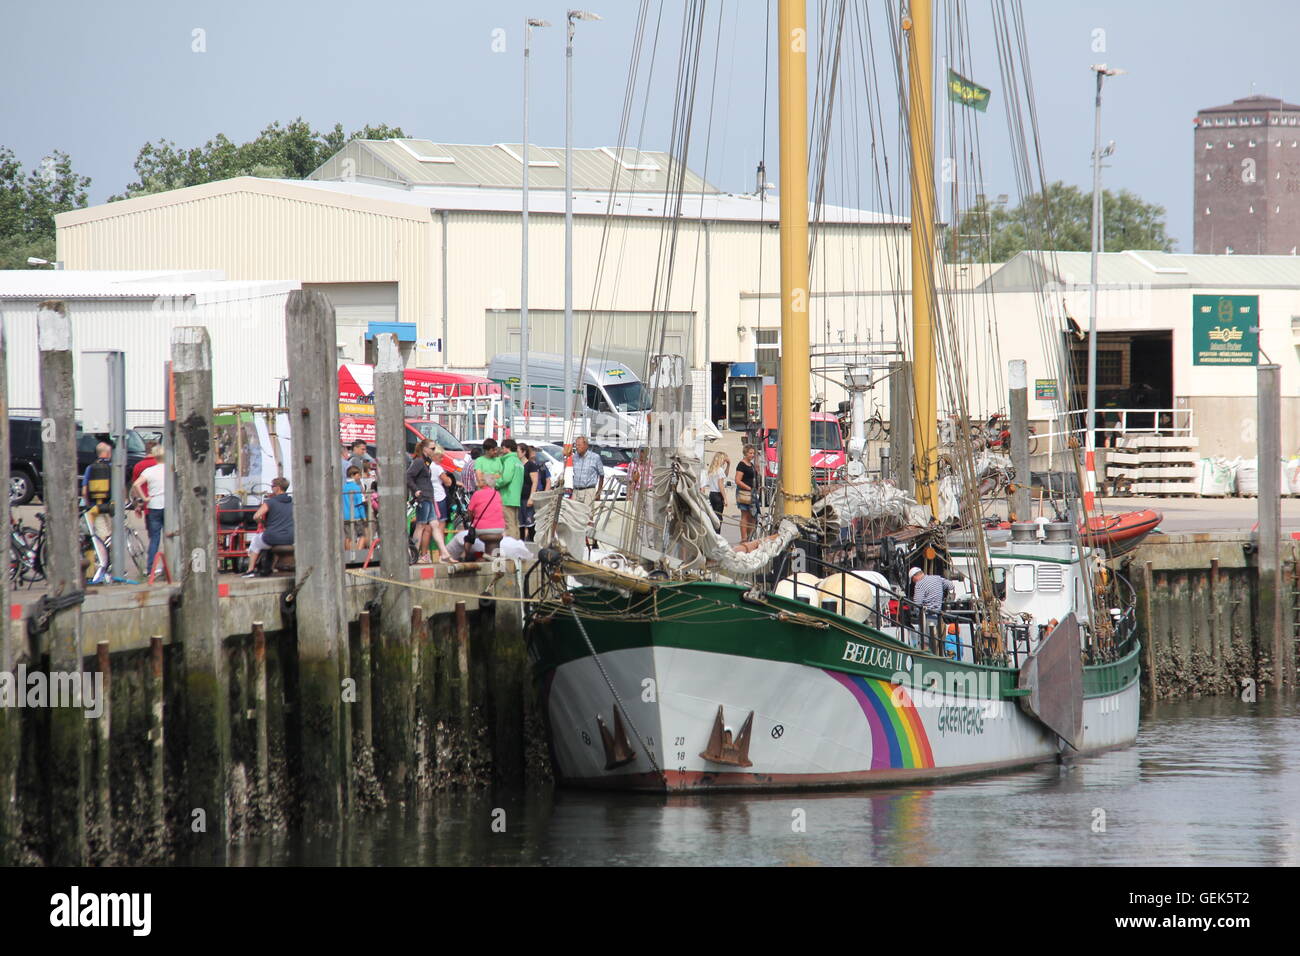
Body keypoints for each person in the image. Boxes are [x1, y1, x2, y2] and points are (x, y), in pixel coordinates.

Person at [406, 439, 454, 564]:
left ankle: (444, 553)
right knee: (421, 526)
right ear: (425, 449)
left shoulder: (426, 462)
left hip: (428, 497)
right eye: (432, 448)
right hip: (423, 497)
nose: (434, 451)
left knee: (434, 525)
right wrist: (416, 490)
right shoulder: (419, 462)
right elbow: (408, 476)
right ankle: (414, 554)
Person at [243, 477, 294, 577]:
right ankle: (271, 568)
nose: (271, 488)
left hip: (273, 536)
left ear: (277, 488)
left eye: (272, 486)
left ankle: (250, 570)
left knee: (255, 541)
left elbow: (256, 516)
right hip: (290, 537)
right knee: (271, 543)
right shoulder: (292, 502)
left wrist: (262, 522)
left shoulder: (270, 502)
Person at [130, 445, 166, 576]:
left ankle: (150, 568)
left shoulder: (149, 471)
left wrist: (144, 498)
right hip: (168, 505)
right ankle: (171, 565)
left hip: (153, 505)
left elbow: (136, 484)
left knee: (154, 538)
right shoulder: (170, 469)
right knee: (170, 537)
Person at [909, 566, 955, 653]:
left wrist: (915, 613)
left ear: (914, 577)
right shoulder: (937, 578)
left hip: (927, 617)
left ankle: (922, 663)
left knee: (925, 644)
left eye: (913, 580)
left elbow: (917, 604)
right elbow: (951, 585)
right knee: (937, 644)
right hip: (938, 617)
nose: (913, 582)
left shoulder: (919, 584)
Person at [82, 440, 115, 542]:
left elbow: (84, 491)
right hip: (110, 506)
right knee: (111, 536)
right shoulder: (113, 468)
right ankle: (106, 557)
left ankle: (101, 556)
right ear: (108, 453)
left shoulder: (90, 468)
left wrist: (88, 505)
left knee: (101, 535)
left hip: (95, 507)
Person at [466, 480, 506, 556]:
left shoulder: (477, 494)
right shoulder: (497, 494)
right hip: (500, 528)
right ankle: (494, 556)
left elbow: (470, 511)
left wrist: (473, 520)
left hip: (482, 528)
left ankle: (466, 555)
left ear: (484, 483)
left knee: (469, 536)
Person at [497, 437, 525, 538]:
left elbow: (506, 478)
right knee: (515, 524)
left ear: (506, 448)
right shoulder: (519, 462)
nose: (501, 450)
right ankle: (516, 546)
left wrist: (495, 484)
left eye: (502, 447)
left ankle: (511, 548)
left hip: (507, 496)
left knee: (509, 525)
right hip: (516, 497)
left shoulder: (509, 460)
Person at [519, 444, 544, 542]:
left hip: (527, 497)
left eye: (518, 451)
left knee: (530, 523)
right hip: (518, 498)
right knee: (520, 525)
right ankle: (520, 545)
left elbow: (535, 482)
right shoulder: (517, 464)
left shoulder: (531, 465)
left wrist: (531, 497)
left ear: (524, 452)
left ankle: (533, 545)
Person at [569, 435, 604, 503]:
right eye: (576, 445)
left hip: (589, 491)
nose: (577, 447)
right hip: (576, 491)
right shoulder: (574, 457)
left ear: (586, 446)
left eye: (579, 445)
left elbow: (601, 475)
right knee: (574, 513)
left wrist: (599, 492)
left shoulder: (595, 457)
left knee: (587, 512)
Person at [735, 444, 759, 543]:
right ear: (745, 453)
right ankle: (744, 538)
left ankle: (750, 536)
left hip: (753, 493)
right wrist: (749, 488)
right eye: (750, 453)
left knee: (753, 516)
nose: (752, 455)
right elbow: (737, 480)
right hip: (744, 493)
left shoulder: (751, 464)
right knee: (745, 515)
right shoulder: (742, 464)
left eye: (753, 453)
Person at [342, 465, 367, 550]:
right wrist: (364, 517)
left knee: (348, 537)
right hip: (356, 516)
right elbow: (360, 504)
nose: (359, 477)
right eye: (358, 475)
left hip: (345, 516)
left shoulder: (343, 488)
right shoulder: (356, 487)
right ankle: (358, 553)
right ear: (353, 475)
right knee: (362, 535)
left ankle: (348, 556)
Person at [704, 452, 729, 523]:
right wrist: (725, 498)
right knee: (718, 517)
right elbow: (720, 485)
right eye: (724, 460)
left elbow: (725, 475)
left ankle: (714, 532)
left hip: (712, 494)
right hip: (718, 494)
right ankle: (717, 533)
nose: (724, 462)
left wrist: (728, 465)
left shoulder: (713, 470)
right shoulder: (720, 470)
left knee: (713, 516)